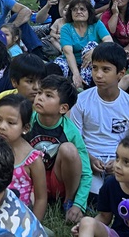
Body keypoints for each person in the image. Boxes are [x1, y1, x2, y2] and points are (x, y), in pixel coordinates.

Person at [69, 43, 129, 194]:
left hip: (119, 161)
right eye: (94, 68)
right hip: (86, 160)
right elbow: (74, 138)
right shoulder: (81, 100)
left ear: (121, 73)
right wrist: (89, 159)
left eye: (106, 69)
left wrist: (119, 161)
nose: (98, 74)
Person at [27, 75, 91, 223]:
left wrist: (78, 204)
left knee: (68, 149)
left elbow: (86, 171)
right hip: (33, 179)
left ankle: (67, 202)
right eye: (40, 93)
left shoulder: (70, 131)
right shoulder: (27, 120)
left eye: (48, 95)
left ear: (63, 108)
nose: (40, 98)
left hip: (58, 181)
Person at [0, 94, 47, 218]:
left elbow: (41, 198)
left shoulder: (32, 159)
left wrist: (34, 228)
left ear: (25, 128)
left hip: (19, 219)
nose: (2, 126)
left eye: (11, 123)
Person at [55, 0, 113, 90]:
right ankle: (62, 88)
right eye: (75, 10)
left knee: (92, 45)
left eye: (82, 9)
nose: (78, 12)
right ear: (71, 13)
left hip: (90, 61)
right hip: (70, 61)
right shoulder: (66, 28)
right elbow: (67, 52)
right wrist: (76, 74)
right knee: (57, 66)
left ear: (89, 12)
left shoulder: (96, 24)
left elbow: (109, 41)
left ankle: (84, 85)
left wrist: (95, 51)